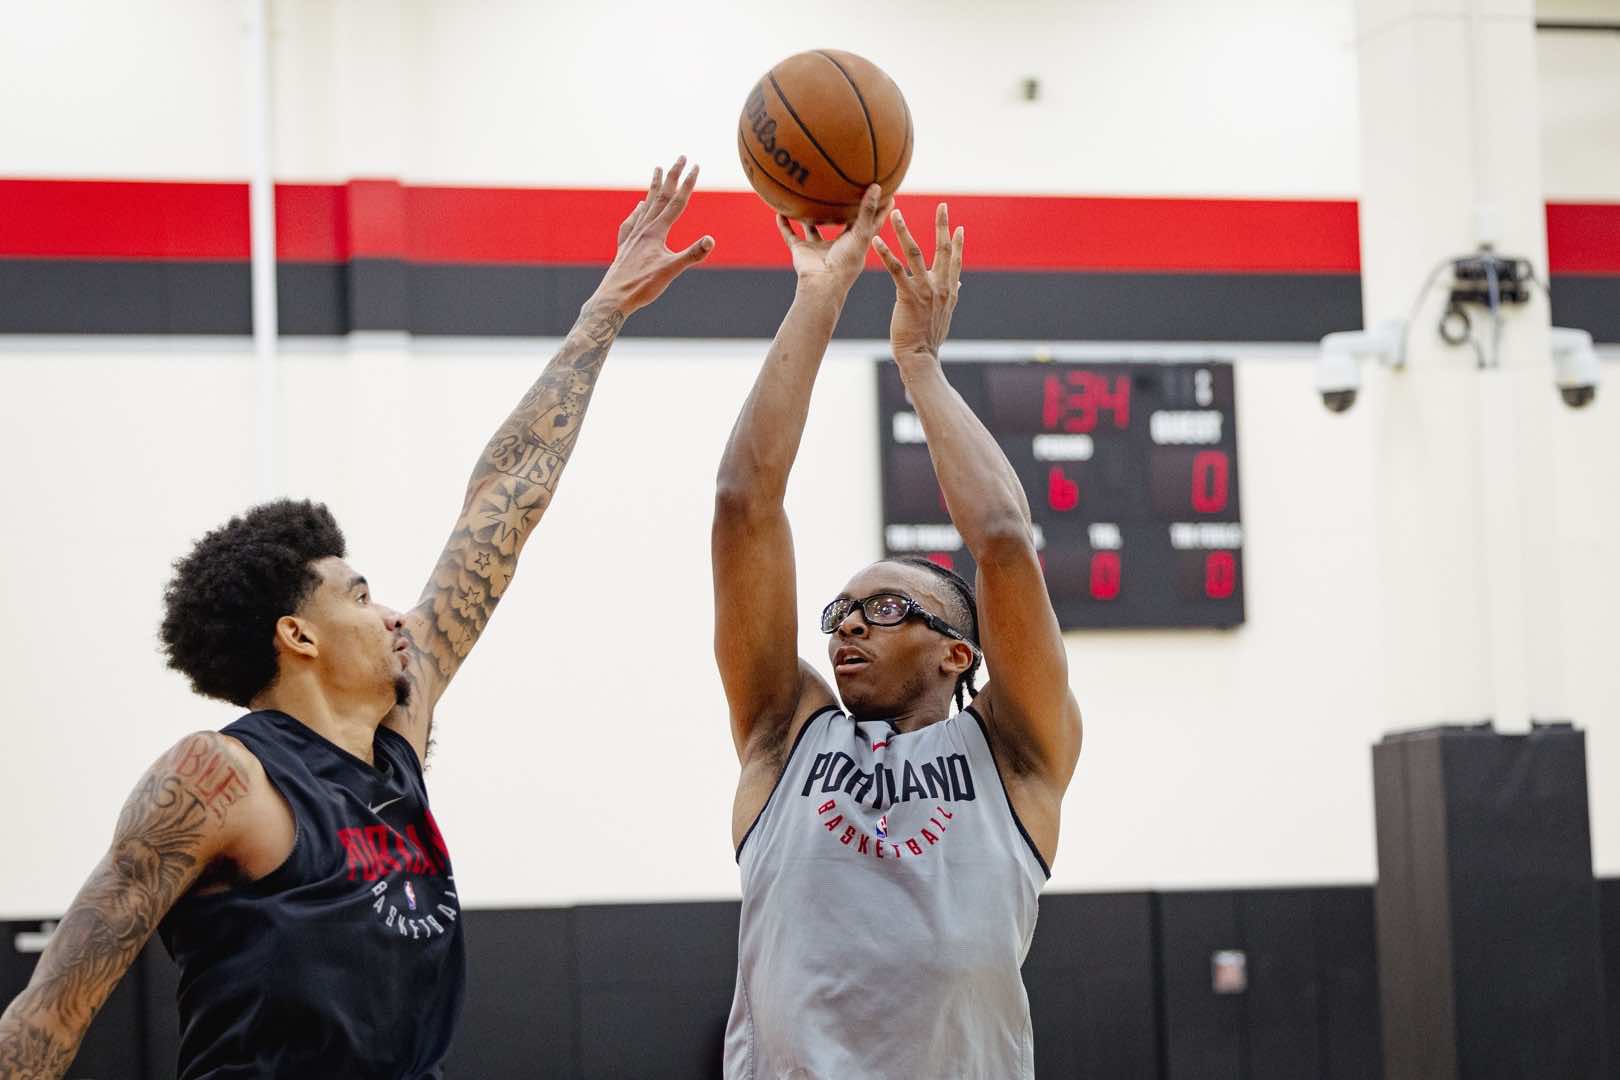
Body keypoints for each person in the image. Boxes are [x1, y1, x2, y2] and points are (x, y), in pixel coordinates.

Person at [0, 156, 714, 1080]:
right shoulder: (217, 778)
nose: (392, 614)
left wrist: (603, 310)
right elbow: (50, 1016)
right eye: (359, 593)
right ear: (296, 635)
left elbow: (507, 496)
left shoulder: (399, 728)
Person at [713, 186, 1084, 1079]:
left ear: (960, 652)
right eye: (840, 614)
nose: (846, 630)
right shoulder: (785, 734)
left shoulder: (1016, 753)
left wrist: (917, 361)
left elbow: (999, 538)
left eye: (884, 610)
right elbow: (743, 503)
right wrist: (818, 298)